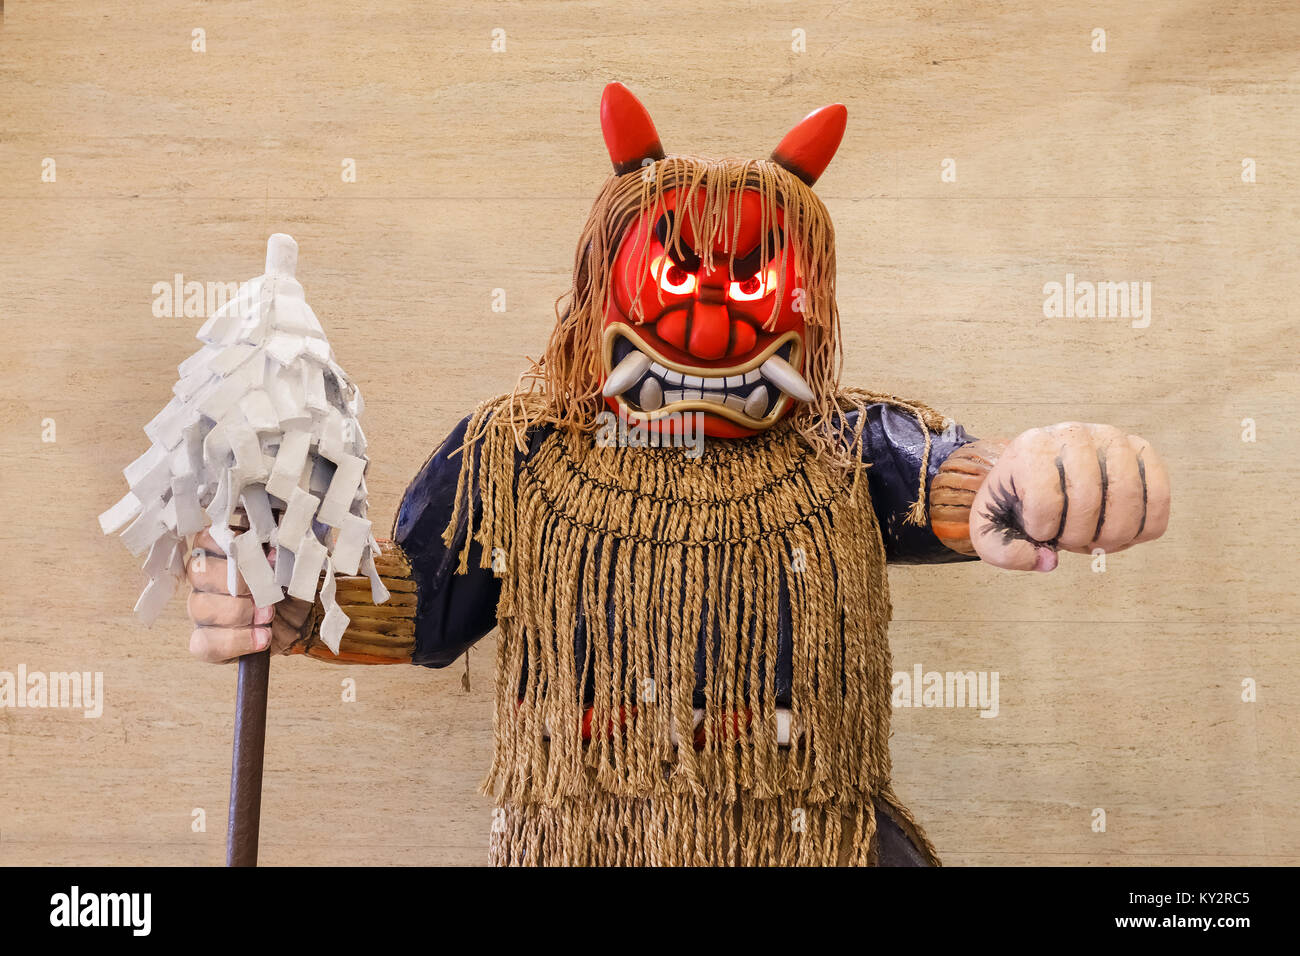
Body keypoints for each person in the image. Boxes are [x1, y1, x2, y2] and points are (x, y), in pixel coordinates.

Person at [185, 83, 1170, 866]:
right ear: (600, 279)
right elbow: (417, 606)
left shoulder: (849, 443)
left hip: (812, 841)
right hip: (577, 844)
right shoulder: (514, 452)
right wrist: (288, 592)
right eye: (677, 271)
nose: (710, 304)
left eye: (746, 278)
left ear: (805, 300)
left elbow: (959, 484)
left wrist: (1036, 473)